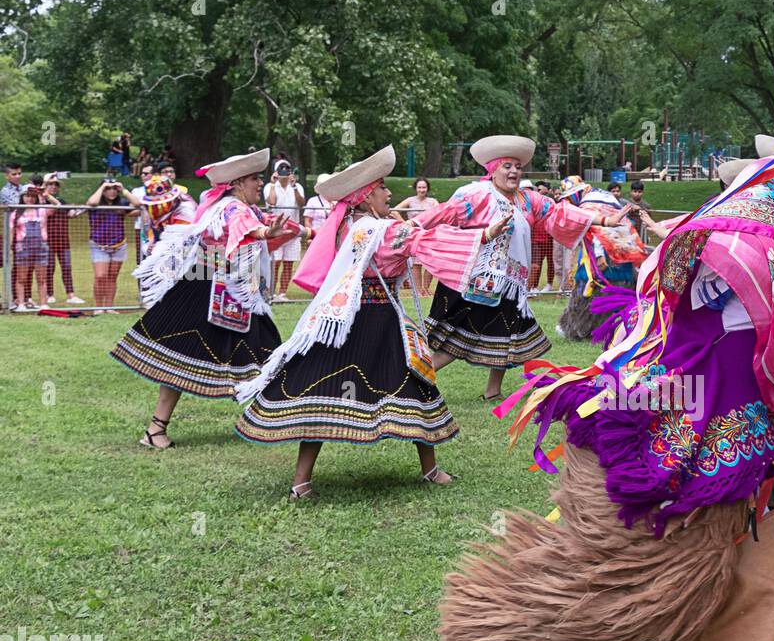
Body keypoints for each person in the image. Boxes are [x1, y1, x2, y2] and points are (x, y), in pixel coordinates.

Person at [434, 115, 774, 641]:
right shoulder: (763, 236)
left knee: (764, 581)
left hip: (737, 445)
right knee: (642, 592)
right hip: (692, 445)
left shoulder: (760, 229)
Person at [234, 145, 494, 498]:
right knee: (402, 382)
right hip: (366, 320)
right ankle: (426, 470)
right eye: (383, 187)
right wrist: (481, 236)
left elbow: (412, 229)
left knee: (355, 384)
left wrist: (450, 213)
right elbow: (411, 238)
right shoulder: (373, 229)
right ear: (367, 196)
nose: (389, 193)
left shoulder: (358, 225)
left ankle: (304, 480)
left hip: (358, 318)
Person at [109, 148, 298, 448]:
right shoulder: (233, 208)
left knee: (260, 354)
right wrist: (264, 232)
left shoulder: (231, 205)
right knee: (253, 353)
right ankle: (157, 430)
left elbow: (261, 229)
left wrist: (302, 231)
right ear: (237, 183)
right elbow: (246, 230)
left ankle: (272, 421)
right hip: (211, 291)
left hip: (223, 289)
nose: (259, 184)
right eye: (254, 179)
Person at [419, 135, 626, 402]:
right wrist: (413, 226)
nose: (514, 171)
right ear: (493, 170)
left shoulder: (528, 200)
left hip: (511, 284)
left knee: (506, 336)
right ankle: (420, 378)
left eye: (518, 166)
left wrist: (606, 219)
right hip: (478, 281)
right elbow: (447, 212)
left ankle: (493, 391)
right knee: (461, 336)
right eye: (507, 166)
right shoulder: (478, 195)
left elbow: (559, 213)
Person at [554, 176, 653, 342]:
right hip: (622, 251)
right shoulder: (603, 197)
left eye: (569, 198)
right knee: (617, 292)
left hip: (603, 254)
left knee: (590, 290)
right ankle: (620, 329)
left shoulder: (589, 203)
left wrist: (599, 254)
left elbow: (599, 227)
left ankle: (578, 329)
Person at [77, 178, 141, 310]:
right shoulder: (96, 203)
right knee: (100, 276)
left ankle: (109, 307)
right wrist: (102, 186)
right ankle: (99, 307)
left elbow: (137, 204)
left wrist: (122, 189)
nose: (111, 191)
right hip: (99, 245)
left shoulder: (121, 203)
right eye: (107, 189)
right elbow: (92, 202)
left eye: (113, 188)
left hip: (118, 244)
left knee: (112, 277)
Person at [264, 160, 307, 302]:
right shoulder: (270, 187)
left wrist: (294, 186)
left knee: (289, 263)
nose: (284, 171)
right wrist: (272, 183)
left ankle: (282, 293)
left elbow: (301, 203)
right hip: (277, 230)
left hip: (293, 231)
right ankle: (271, 292)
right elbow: (271, 202)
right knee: (275, 263)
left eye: (286, 169)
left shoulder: (297, 187)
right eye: (281, 169)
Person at [392, 177, 440, 296]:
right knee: (416, 263)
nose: (422, 190)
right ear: (416, 188)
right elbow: (394, 211)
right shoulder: (410, 200)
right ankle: (419, 291)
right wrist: (405, 223)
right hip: (414, 234)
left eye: (424, 187)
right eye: (419, 187)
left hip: (429, 234)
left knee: (432, 262)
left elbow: (440, 213)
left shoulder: (432, 201)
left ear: (427, 188)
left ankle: (426, 288)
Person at [9, 183, 52, 311]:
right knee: (21, 277)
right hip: (22, 248)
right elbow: (11, 233)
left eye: (33, 196)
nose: (30, 199)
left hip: (41, 248)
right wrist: (10, 249)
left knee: (42, 278)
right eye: (27, 196)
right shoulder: (15, 213)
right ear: (22, 197)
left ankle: (44, 303)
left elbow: (57, 206)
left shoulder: (42, 210)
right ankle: (21, 303)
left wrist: (46, 194)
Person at [41, 175, 81, 304]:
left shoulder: (62, 202)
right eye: (50, 184)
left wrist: (79, 210)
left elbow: (71, 214)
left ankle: (71, 295)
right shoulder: (41, 201)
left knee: (66, 267)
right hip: (47, 241)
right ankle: (49, 294)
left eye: (56, 185)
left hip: (63, 240)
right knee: (49, 267)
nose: (53, 187)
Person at [528, 180, 556, 293]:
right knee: (536, 262)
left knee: (551, 261)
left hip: (549, 236)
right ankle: (534, 286)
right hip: (536, 237)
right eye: (537, 189)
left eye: (540, 189)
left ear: (547, 190)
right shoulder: (532, 201)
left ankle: (549, 284)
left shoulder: (551, 202)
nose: (538, 190)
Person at [129, 164, 154, 262]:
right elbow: (130, 211)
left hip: (157, 228)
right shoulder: (136, 191)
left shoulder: (162, 190)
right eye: (142, 173)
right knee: (141, 258)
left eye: (146, 173)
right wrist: (145, 209)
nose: (143, 175)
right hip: (140, 228)